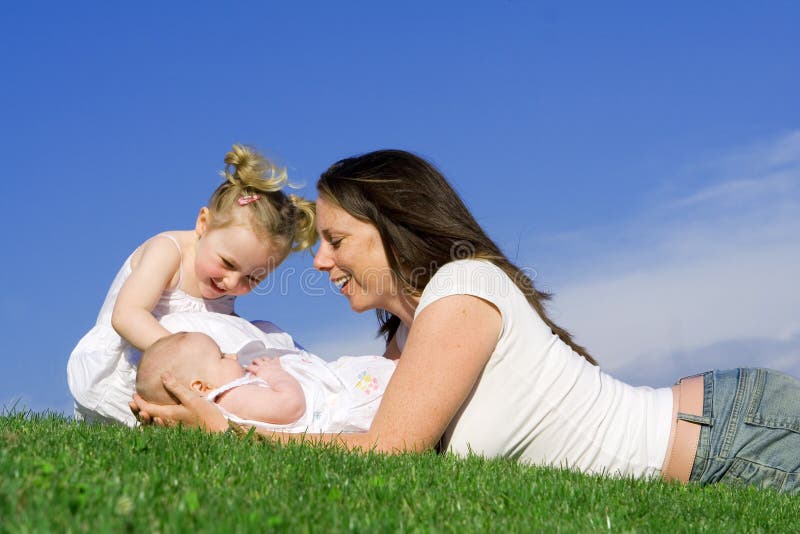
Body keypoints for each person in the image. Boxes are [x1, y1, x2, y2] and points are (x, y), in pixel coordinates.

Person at [133, 149, 800, 492]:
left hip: (735, 437)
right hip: (718, 431)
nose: (321, 262)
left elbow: (388, 454)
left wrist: (227, 432)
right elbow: (330, 424)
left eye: (336, 240)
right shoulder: (401, 343)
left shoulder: (461, 291)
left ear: (389, 229)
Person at [67, 144, 316, 426]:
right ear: (203, 224)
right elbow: (127, 315)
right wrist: (186, 359)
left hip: (193, 369)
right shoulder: (169, 250)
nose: (233, 282)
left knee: (265, 333)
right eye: (228, 263)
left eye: (252, 278)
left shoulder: (221, 279)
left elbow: (221, 324)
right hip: (135, 360)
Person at [137, 329, 395, 433]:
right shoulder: (231, 397)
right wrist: (276, 376)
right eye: (221, 356)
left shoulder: (232, 394)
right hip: (347, 403)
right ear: (201, 387)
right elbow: (290, 406)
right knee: (391, 382)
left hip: (339, 393)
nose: (232, 356)